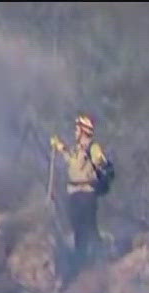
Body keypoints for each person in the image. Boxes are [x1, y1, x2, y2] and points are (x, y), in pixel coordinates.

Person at [49, 114, 113, 283]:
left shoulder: (93, 148)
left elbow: (101, 164)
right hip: (74, 194)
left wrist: (98, 168)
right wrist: (60, 148)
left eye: (77, 129)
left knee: (89, 229)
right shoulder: (76, 149)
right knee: (78, 230)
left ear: (84, 131)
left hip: (87, 193)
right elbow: (71, 162)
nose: (75, 131)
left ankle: (97, 261)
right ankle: (80, 263)